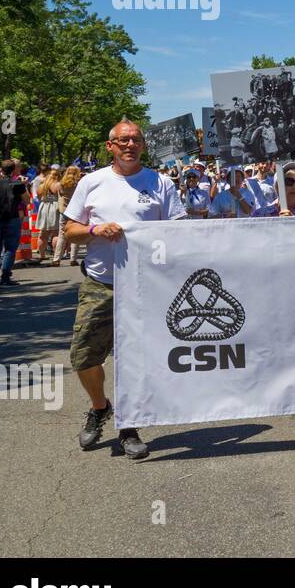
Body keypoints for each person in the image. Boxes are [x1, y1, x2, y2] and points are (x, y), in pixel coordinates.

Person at [62, 121, 187, 460]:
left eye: (136, 139)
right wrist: (95, 229)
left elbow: (178, 233)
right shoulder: (92, 182)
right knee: (84, 356)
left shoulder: (160, 183)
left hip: (146, 288)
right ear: (110, 146)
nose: (130, 145)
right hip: (100, 284)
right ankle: (100, 407)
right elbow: (70, 231)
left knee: (134, 360)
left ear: (143, 145)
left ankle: (128, 426)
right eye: (123, 140)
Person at [0, 159, 26, 287]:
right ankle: (5, 277)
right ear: (13, 170)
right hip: (12, 218)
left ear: (0, 169)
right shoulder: (17, 184)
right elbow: (27, 200)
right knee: (10, 249)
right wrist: (24, 185)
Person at [54, 166, 84, 264]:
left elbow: (60, 195)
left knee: (61, 235)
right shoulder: (79, 184)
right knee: (76, 234)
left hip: (64, 211)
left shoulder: (60, 184)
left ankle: (56, 259)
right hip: (76, 211)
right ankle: (73, 259)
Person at [34, 168, 62, 262]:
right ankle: (55, 255)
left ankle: (42, 255)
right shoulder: (57, 185)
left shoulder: (41, 186)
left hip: (43, 207)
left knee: (43, 234)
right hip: (54, 207)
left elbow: (38, 197)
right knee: (56, 233)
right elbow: (61, 196)